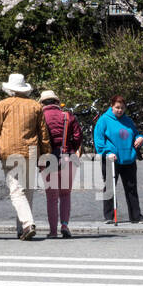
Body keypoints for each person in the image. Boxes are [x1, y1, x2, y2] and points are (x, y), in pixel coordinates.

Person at [0, 73, 52, 241]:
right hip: (31, 151)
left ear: (10, 89)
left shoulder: (2, 105)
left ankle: (28, 224)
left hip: (11, 151)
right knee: (27, 191)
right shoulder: (35, 106)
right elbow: (43, 133)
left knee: (16, 191)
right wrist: (46, 154)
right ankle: (22, 229)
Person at [94, 95, 143, 224]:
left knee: (131, 188)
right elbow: (98, 140)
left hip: (128, 158)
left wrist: (141, 138)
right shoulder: (104, 120)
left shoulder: (128, 120)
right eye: (117, 107)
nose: (120, 110)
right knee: (109, 187)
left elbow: (136, 134)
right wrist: (107, 152)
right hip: (111, 158)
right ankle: (109, 216)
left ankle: (136, 216)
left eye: (122, 108)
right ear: (112, 106)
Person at [39, 90, 82, 239]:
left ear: (42, 103)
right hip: (68, 156)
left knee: (52, 197)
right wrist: (71, 148)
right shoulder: (67, 116)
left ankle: (52, 231)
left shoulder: (40, 116)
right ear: (57, 102)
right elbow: (78, 136)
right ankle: (64, 224)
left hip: (48, 158)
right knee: (65, 194)